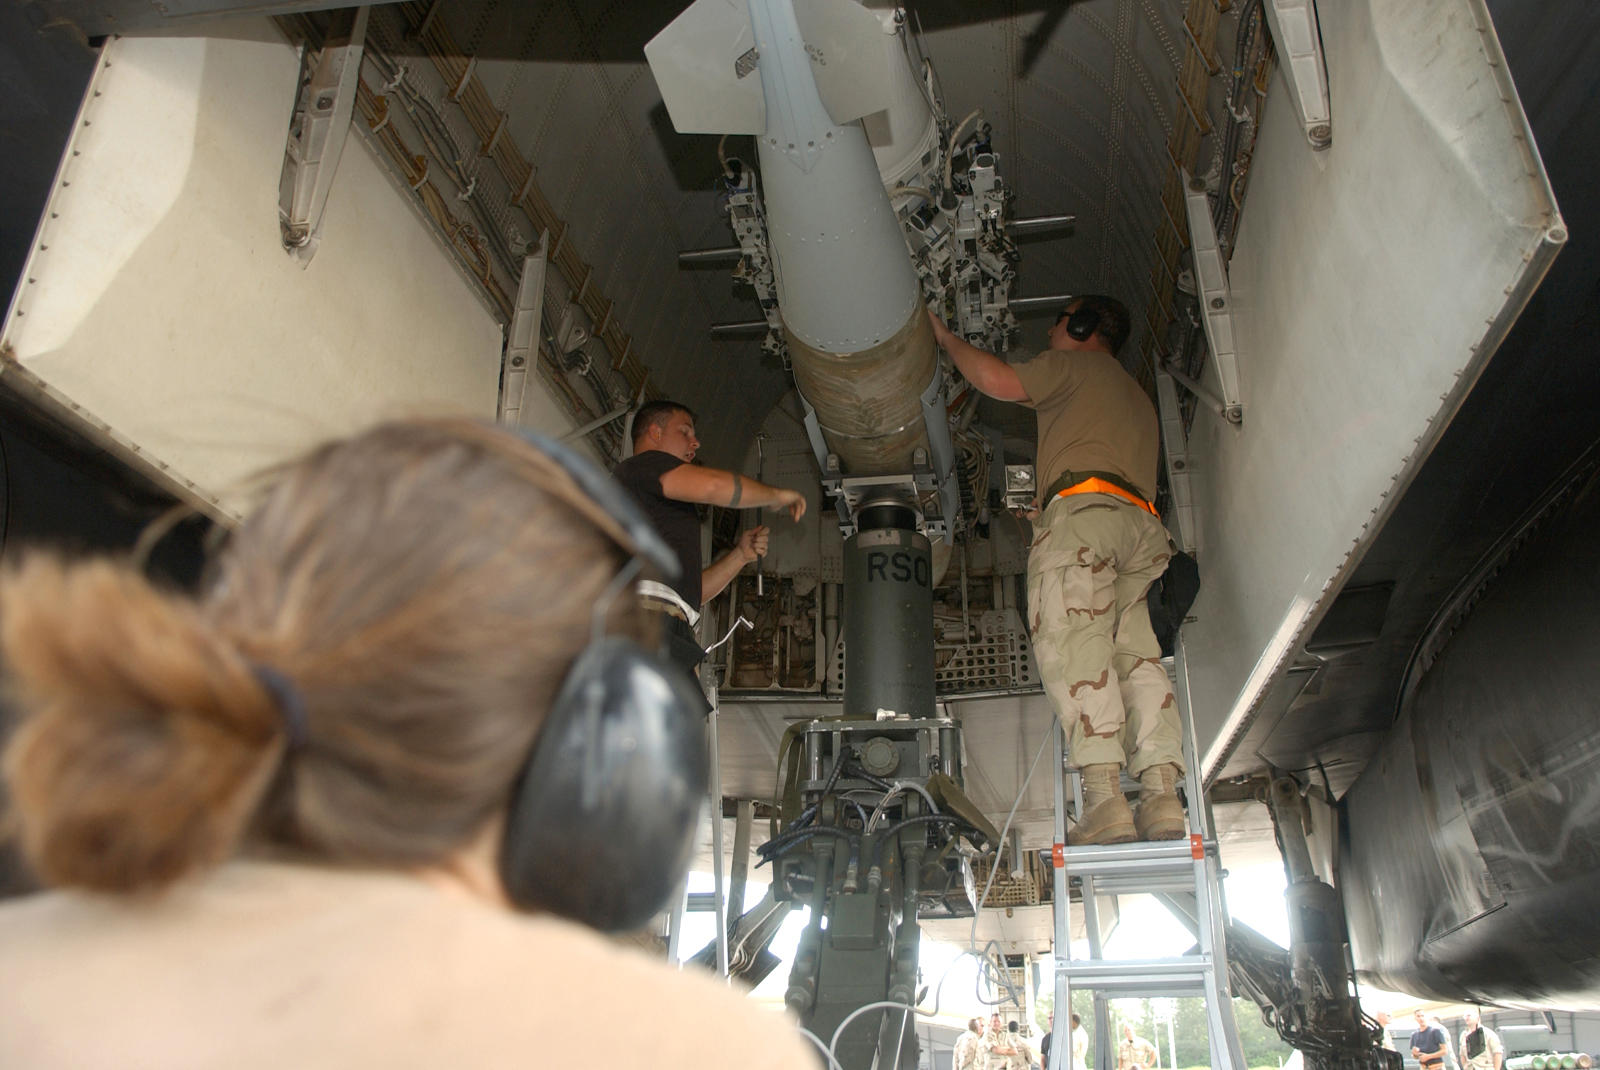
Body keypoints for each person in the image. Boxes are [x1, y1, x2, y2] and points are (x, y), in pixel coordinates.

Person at [0, 419, 815, 1070]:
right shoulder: (703, 1048)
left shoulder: (24, 974)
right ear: (599, 734)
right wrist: (772, 493)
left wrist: (741, 553)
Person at [929, 298, 1184, 845]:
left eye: (1061, 320)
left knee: (1074, 646)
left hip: (1086, 520)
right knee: (1136, 656)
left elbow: (996, 380)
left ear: (1086, 326)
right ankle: (1163, 796)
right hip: (1139, 529)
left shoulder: (1075, 366)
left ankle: (1103, 798)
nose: (1051, 331)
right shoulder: (1136, 394)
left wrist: (946, 339)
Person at [612, 399, 806, 674]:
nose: (696, 442)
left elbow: (692, 592)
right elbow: (714, 486)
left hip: (664, 623)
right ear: (655, 433)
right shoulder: (643, 466)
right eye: (685, 432)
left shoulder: (650, 499)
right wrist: (774, 495)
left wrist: (740, 555)